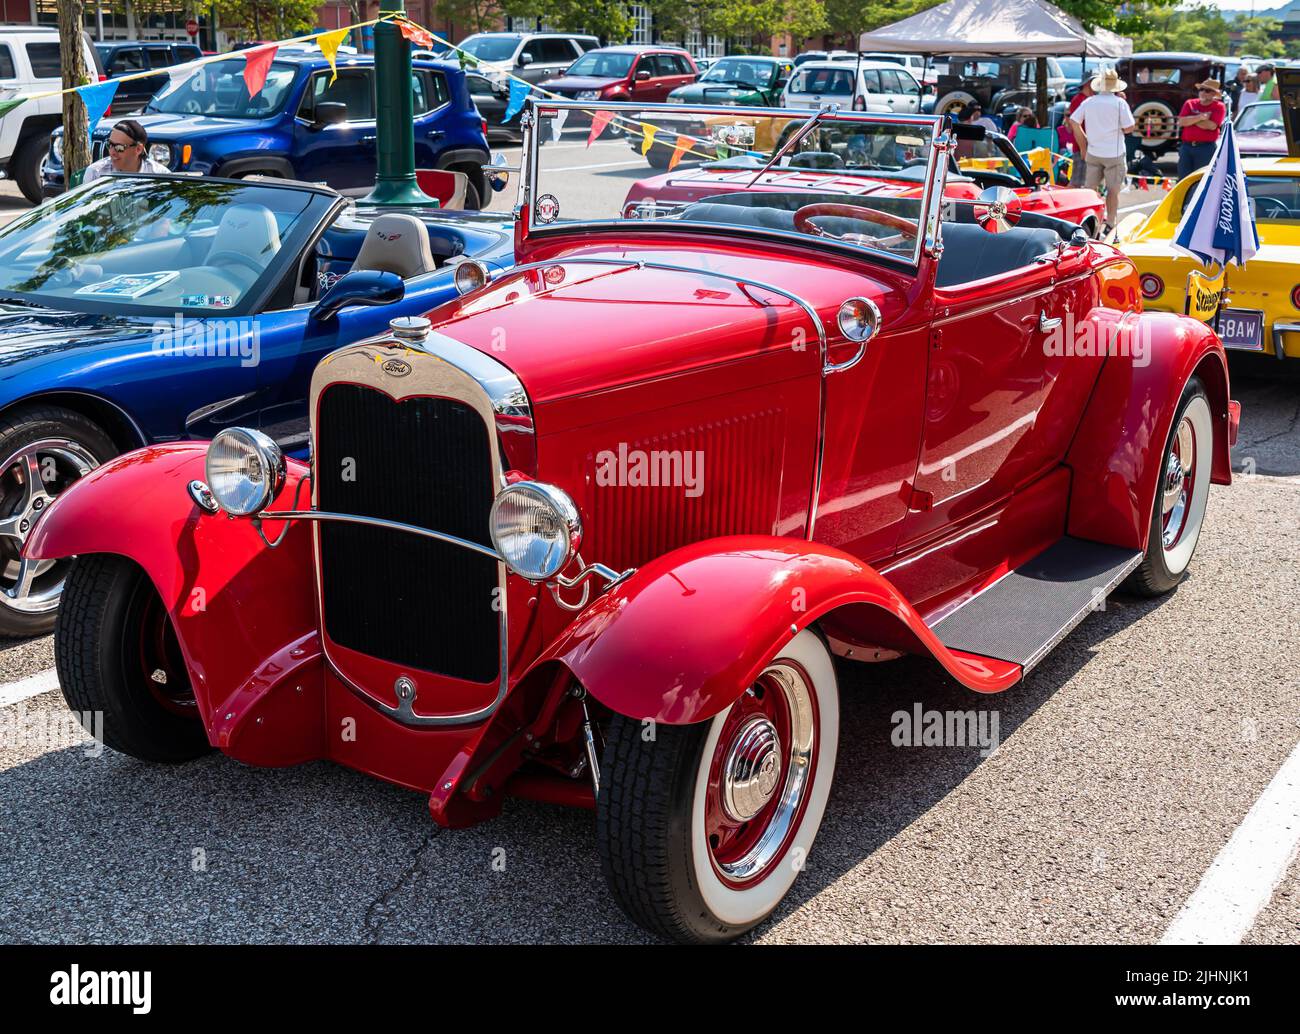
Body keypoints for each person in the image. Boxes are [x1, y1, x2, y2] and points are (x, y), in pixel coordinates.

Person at [1068, 68, 1134, 234]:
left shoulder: (1089, 101)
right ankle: (1110, 222)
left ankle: (1091, 223)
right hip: (1114, 153)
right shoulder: (1120, 103)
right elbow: (1129, 128)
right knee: (1113, 191)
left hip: (1094, 152)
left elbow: (1074, 121)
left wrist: (1084, 144)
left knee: (1090, 190)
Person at [82, 120, 168, 184]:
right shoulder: (95, 173)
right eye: (110, 144)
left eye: (119, 147)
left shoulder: (160, 175)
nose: (112, 152)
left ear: (138, 149)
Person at [1176, 79, 1226, 180]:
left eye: (1207, 90)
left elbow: (1211, 126)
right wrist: (1200, 117)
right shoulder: (1190, 103)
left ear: (1214, 94)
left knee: (1202, 179)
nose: (1202, 92)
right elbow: (1181, 122)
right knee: (1183, 179)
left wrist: (1191, 119)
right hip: (1186, 146)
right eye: (1201, 89)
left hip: (1206, 148)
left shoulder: (1219, 106)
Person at [1064, 77, 1094, 187]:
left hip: (1088, 146)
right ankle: (1063, 203)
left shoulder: (1089, 99)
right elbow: (1075, 124)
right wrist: (1083, 148)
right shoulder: (1078, 99)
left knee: (1086, 182)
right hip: (1081, 146)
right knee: (1076, 182)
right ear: (1088, 83)